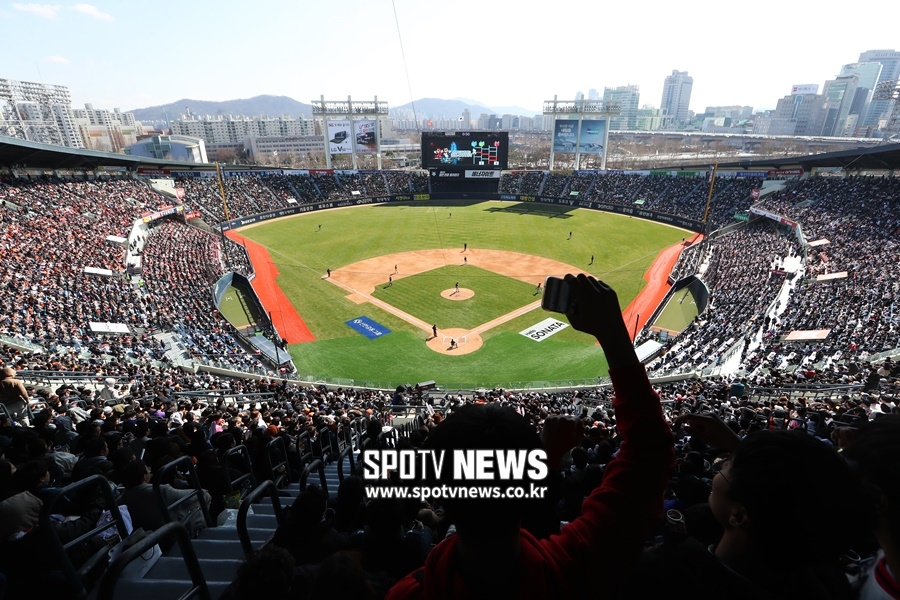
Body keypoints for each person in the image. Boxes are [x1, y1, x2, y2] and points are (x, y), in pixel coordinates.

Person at [387, 274, 674, 599]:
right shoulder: (572, 567)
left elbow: (650, 455)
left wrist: (545, 462)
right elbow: (650, 455)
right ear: (531, 488)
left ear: (438, 490)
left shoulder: (406, 593)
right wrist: (611, 333)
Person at [624, 413, 869, 600]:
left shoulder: (661, 574)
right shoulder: (818, 566)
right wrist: (738, 444)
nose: (723, 465)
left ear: (739, 517)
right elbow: (793, 489)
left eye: (730, 466)